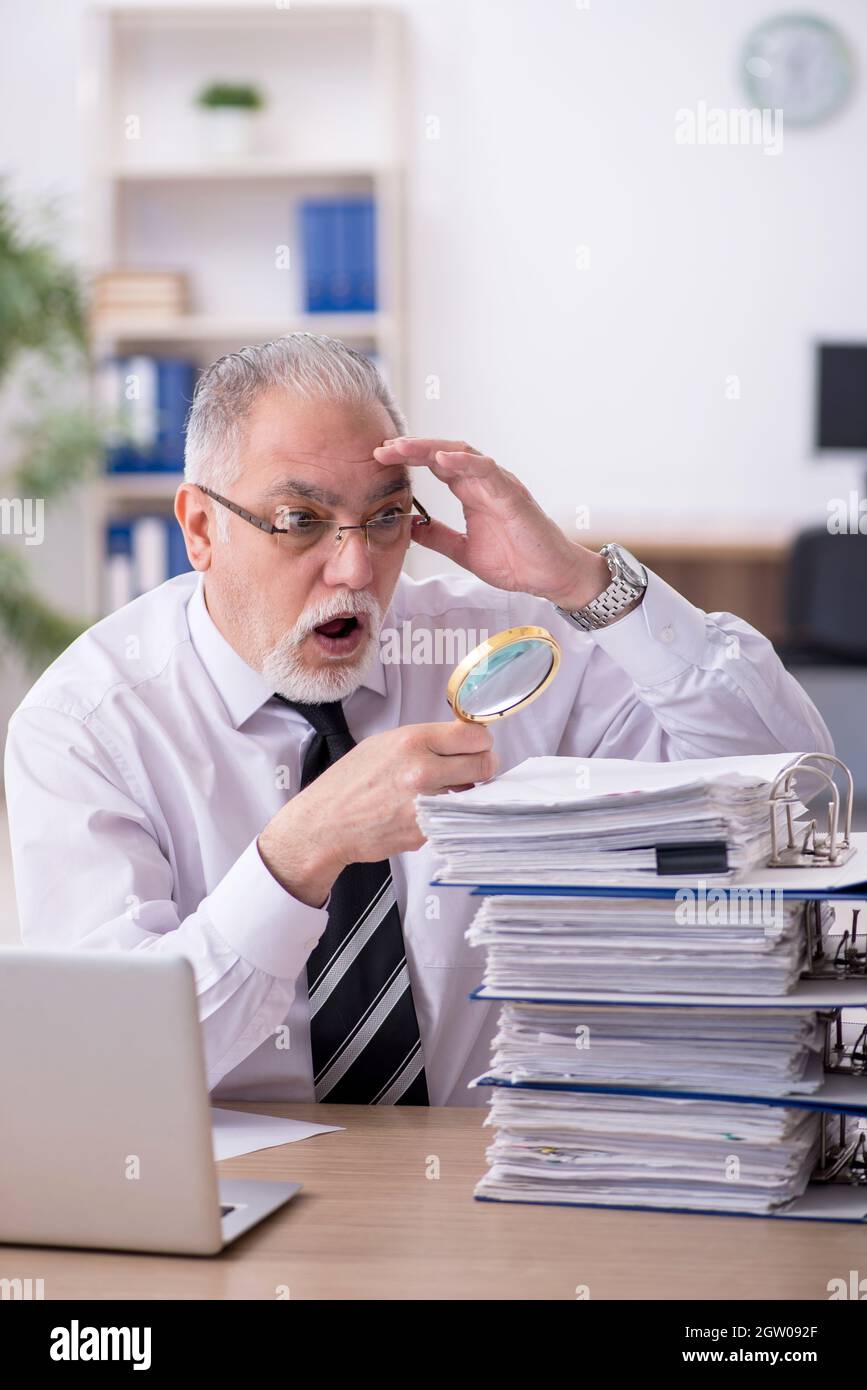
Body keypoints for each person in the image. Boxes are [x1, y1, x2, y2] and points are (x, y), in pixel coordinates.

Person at [4, 334, 832, 1106]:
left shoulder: (497, 645)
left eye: (387, 516)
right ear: (200, 528)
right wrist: (297, 854)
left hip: (489, 1172)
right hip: (233, 1195)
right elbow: (106, 1070)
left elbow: (784, 792)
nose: (356, 566)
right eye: (300, 522)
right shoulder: (86, 725)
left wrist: (583, 583)